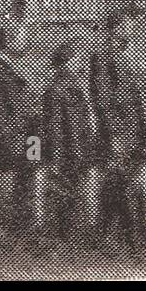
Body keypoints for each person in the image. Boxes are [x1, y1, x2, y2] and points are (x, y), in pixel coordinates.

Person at [90, 8, 146, 255]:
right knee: (124, 184)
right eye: (128, 25)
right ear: (115, 28)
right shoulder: (103, 57)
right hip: (120, 135)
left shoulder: (125, 55)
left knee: (117, 184)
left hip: (134, 132)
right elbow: (104, 100)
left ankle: (108, 236)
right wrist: (116, 135)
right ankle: (132, 241)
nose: (132, 29)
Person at [0, 19, 41, 236]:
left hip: (26, 140)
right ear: (9, 39)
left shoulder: (16, 68)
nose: (26, 40)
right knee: (5, 190)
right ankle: (4, 235)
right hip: (6, 143)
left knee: (26, 187)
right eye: (22, 35)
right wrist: (10, 142)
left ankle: (23, 232)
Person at [42, 38, 96, 239]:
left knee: (73, 193)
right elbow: (55, 129)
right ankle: (64, 237)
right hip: (67, 153)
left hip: (76, 151)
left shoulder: (72, 87)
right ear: (66, 63)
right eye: (77, 59)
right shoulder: (58, 90)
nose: (81, 62)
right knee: (66, 194)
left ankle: (69, 235)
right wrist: (55, 160)